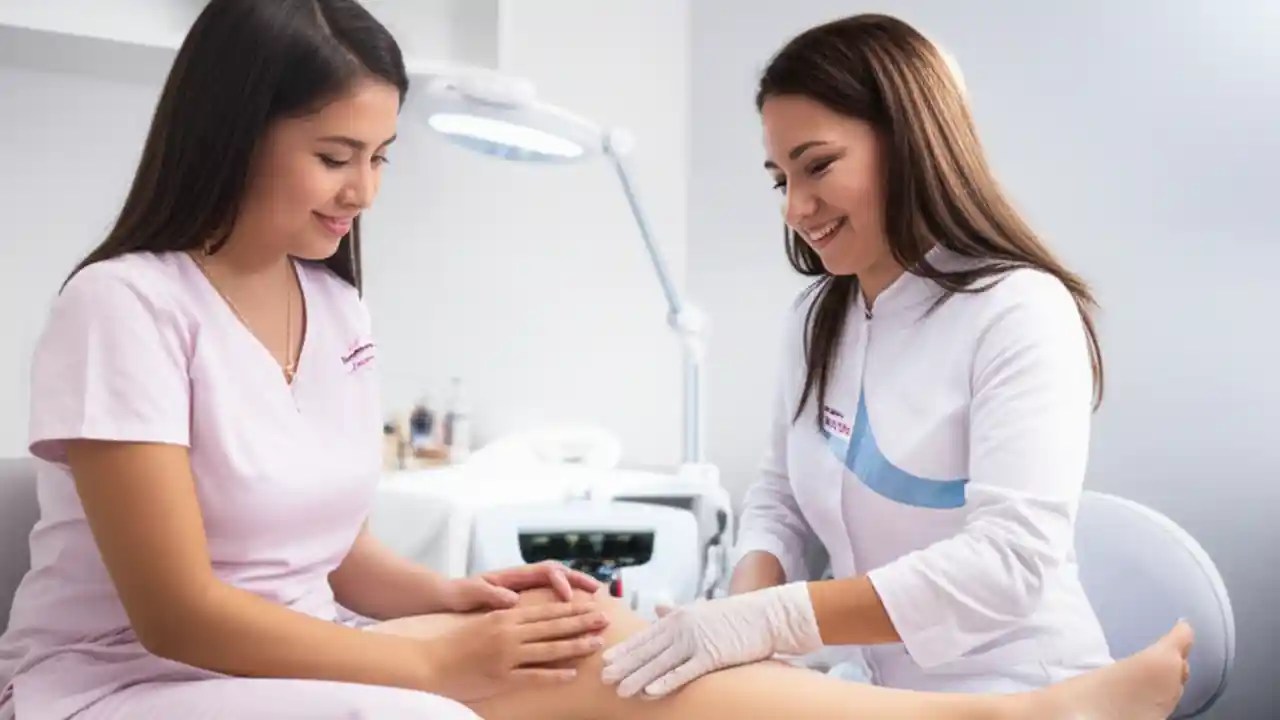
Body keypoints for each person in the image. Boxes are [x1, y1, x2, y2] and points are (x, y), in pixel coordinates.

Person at [0, 2, 1192, 718]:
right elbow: (176, 612)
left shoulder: (327, 303)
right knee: (512, 686)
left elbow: (324, 549)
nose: (364, 191)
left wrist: (463, 601)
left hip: (288, 653)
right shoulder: (123, 308)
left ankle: (1030, 712)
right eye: (334, 154)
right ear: (233, 133)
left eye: (381, 156)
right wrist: (447, 645)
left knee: (600, 649)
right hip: (141, 679)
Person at [601, 12, 1139, 699]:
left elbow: (1008, 562)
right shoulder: (819, 318)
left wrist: (772, 621)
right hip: (870, 689)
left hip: (1021, 691)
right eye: (779, 179)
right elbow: (781, 499)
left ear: (909, 143)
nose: (795, 207)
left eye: (818, 166)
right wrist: (735, 620)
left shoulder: (1018, 310)